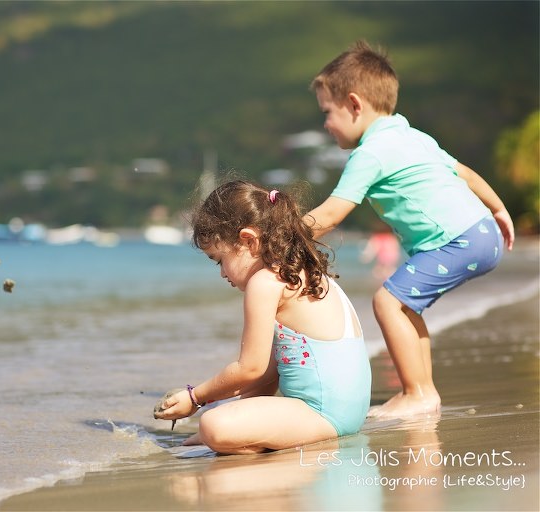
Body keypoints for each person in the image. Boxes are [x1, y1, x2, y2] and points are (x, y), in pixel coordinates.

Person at [306, 40, 515, 419]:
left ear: (354, 104)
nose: (325, 124)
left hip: (458, 241)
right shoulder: (413, 136)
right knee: (405, 305)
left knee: (387, 302)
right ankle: (424, 392)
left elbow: (334, 213)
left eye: (328, 113)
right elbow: (463, 172)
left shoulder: (368, 154)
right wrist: (499, 209)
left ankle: (416, 393)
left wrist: (284, 236)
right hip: (483, 232)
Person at [154, 180, 371, 454]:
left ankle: (257, 445)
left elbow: (249, 369)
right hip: (349, 412)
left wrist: (195, 397)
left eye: (219, 260)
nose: (222, 273)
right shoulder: (303, 271)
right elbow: (268, 371)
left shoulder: (265, 283)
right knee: (220, 423)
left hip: (322, 415)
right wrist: (241, 416)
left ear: (248, 240)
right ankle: (251, 438)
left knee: (213, 424)